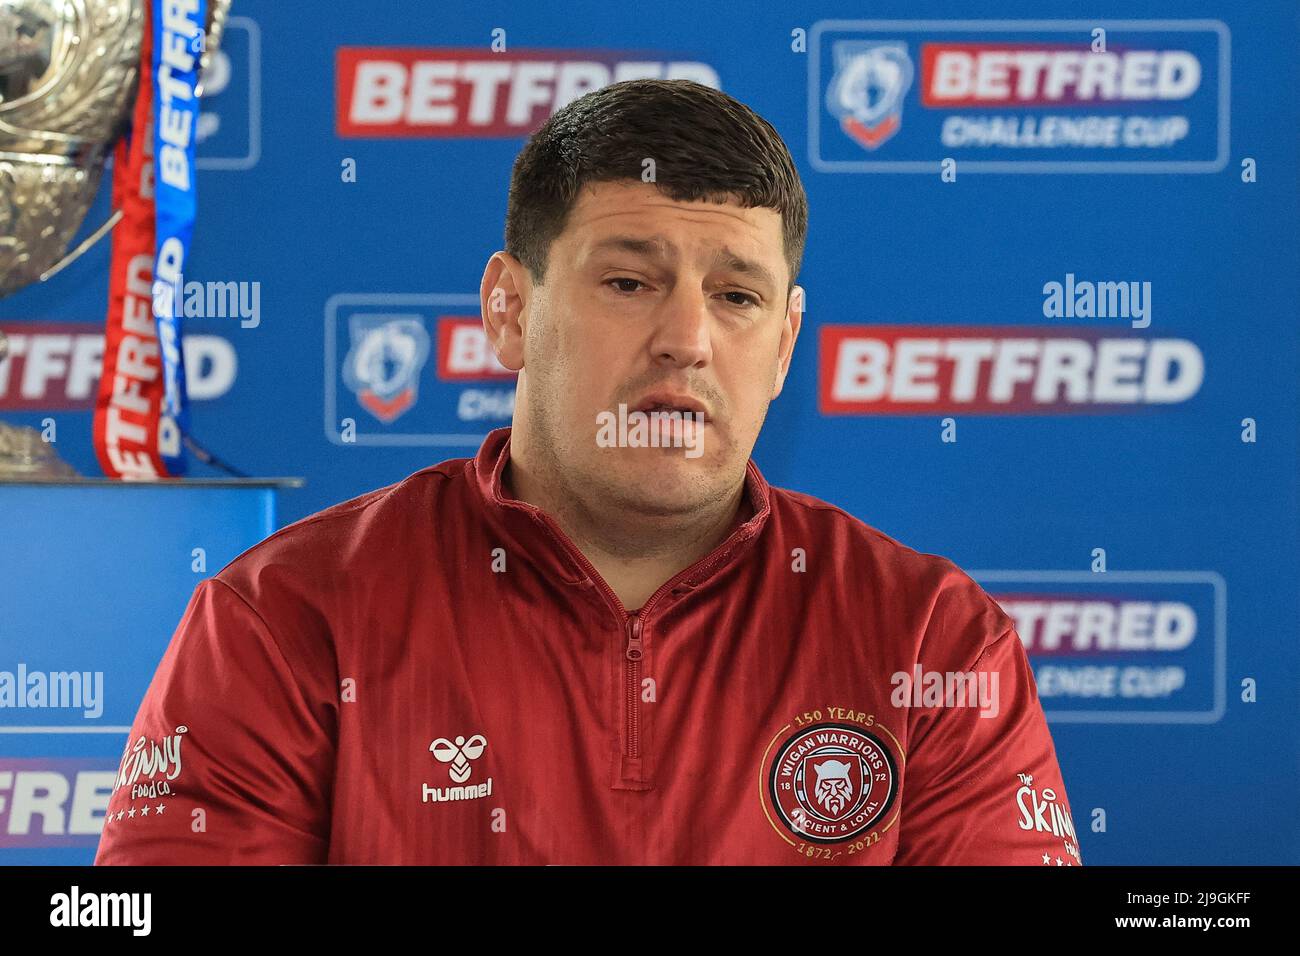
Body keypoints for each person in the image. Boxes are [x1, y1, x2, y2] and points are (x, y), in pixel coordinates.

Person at [95, 78, 1082, 866]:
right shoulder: (284, 617)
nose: (686, 339)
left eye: (735, 294)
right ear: (509, 308)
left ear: (783, 345)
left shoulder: (935, 638)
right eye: (628, 281)